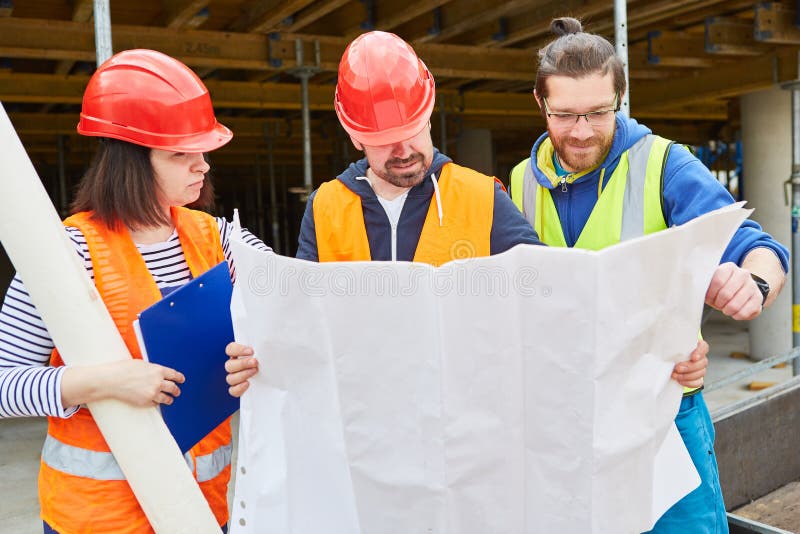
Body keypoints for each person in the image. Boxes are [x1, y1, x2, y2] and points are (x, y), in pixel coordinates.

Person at [225, 31, 708, 403]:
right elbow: (301, 323)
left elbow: (564, 300)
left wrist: (657, 346)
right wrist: (262, 357)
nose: (404, 151)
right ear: (354, 135)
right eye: (384, 140)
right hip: (363, 424)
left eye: (413, 131)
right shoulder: (327, 207)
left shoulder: (482, 197)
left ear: (429, 112)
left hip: (464, 429)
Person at [508, 18, 789, 534]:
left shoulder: (664, 166)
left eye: (598, 112)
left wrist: (755, 284)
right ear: (539, 103)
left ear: (620, 96)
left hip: (663, 412)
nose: (582, 131)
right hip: (569, 417)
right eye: (565, 114)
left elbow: (760, 249)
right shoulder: (521, 183)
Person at [0, 49, 267, 533]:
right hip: (94, 520)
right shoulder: (67, 253)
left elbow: (293, 310)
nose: (203, 165)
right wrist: (103, 384)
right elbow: (3, 385)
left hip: (200, 513)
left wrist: (258, 360)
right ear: (131, 162)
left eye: (202, 151)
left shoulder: (220, 238)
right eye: (180, 154)